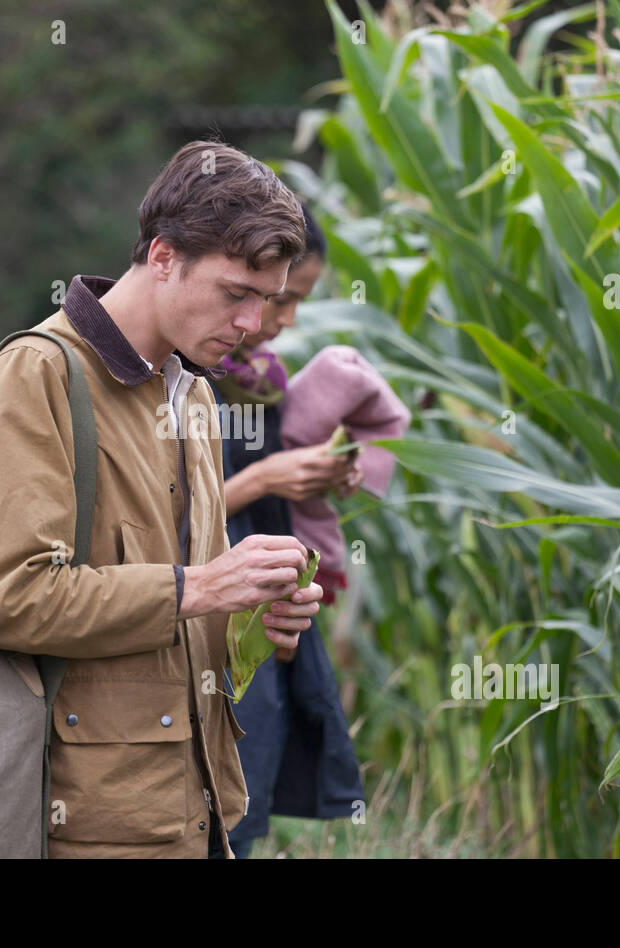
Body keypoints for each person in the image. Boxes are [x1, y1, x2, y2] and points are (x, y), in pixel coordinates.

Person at [0, 140, 325, 858]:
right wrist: (200, 585)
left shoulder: (195, 398)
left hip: (201, 816)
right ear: (162, 258)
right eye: (236, 294)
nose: (254, 324)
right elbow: (6, 597)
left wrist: (257, 617)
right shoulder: (36, 375)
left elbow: (190, 624)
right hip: (83, 828)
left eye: (270, 300)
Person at [210, 201, 367, 857]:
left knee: (239, 810)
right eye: (280, 299)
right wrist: (268, 479)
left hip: (257, 628)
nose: (285, 319)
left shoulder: (259, 382)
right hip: (201, 626)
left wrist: (323, 469)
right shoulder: (178, 379)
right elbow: (154, 514)